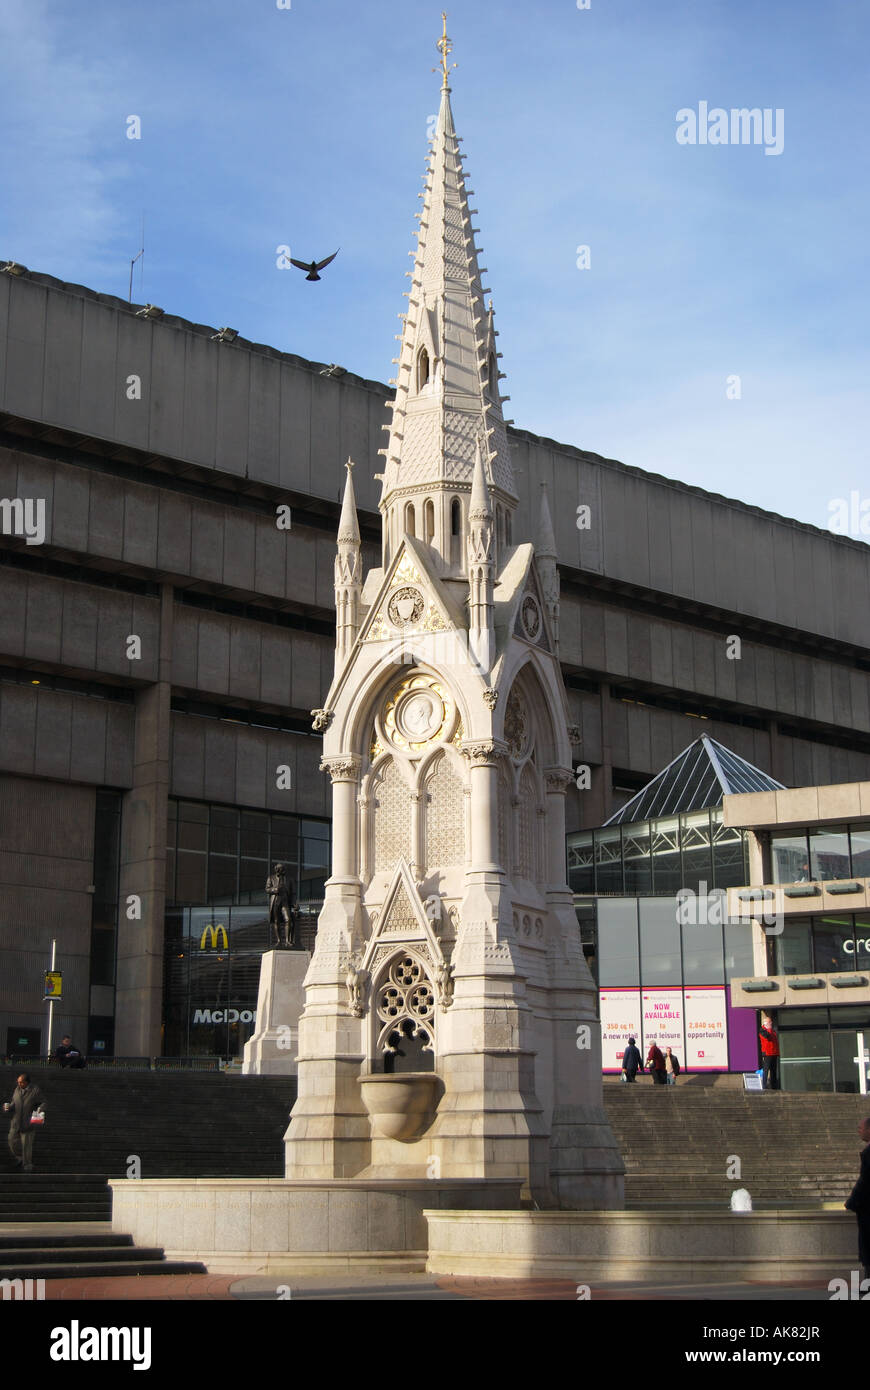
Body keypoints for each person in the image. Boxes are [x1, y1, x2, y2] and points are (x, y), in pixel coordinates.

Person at [4, 1073, 47, 1172]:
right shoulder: (17, 1090)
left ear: (26, 1082)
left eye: (21, 1082)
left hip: (28, 1122)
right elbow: (14, 1102)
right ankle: (20, 1157)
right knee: (11, 1141)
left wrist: (40, 1108)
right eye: (18, 1082)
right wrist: (9, 1107)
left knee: (26, 1145)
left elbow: (43, 1102)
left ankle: (27, 1165)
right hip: (16, 1122)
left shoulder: (35, 1090)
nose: (19, 1084)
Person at [844, 1116, 870, 1279]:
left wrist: (852, 1202)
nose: (858, 1130)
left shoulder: (869, 1154)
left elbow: (865, 1181)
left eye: (861, 1127)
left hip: (868, 1209)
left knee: (868, 1245)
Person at [759, 1014, 780, 1090]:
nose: (771, 1024)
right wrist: (769, 1029)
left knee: (773, 1071)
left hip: (774, 1052)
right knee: (766, 1069)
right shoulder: (763, 1031)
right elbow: (768, 1037)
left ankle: (774, 1086)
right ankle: (764, 1086)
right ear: (766, 1023)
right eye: (770, 1022)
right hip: (768, 1053)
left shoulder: (772, 1031)